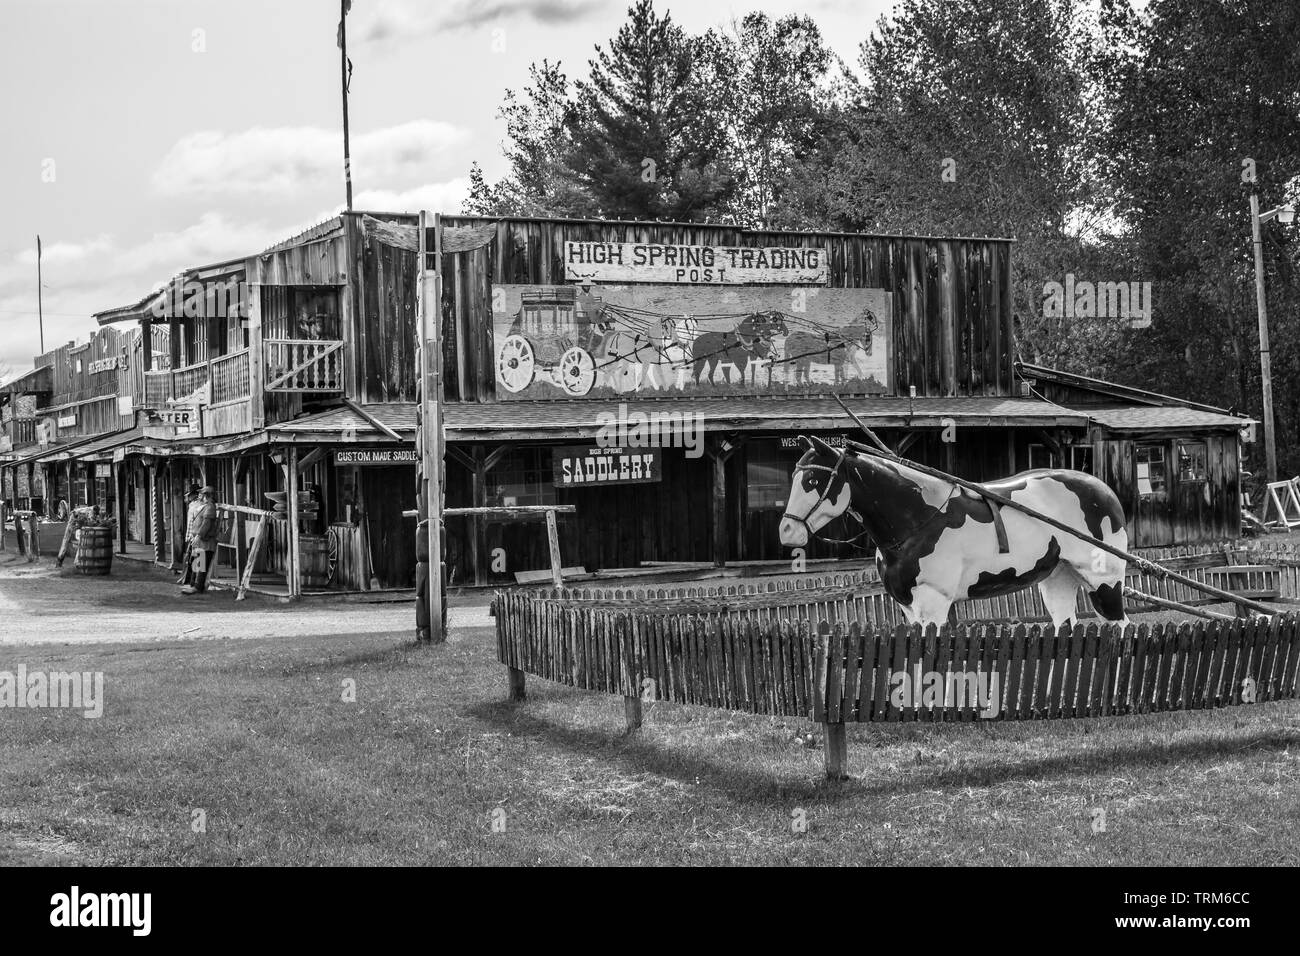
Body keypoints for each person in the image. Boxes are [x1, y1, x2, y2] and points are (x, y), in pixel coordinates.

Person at [181, 486, 218, 595]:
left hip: (205, 541)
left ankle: (198, 587)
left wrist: (199, 536)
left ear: (207, 495)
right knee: (197, 563)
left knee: (201, 564)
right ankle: (193, 584)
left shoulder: (210, 507)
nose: (200, 496)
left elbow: (206, 524)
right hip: (200, 540)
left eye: (202, 494)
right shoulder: (205, 506)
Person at [177, 484, 203, 586]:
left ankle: (193, 581)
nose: (188, 497)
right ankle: (189, 579)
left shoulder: (196, 506)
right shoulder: (193, 505)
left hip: (195, 534)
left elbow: (193, 522)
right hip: (193, 534)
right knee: (191, 558)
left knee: (195, 558)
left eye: (190, 495)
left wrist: (190, 536)